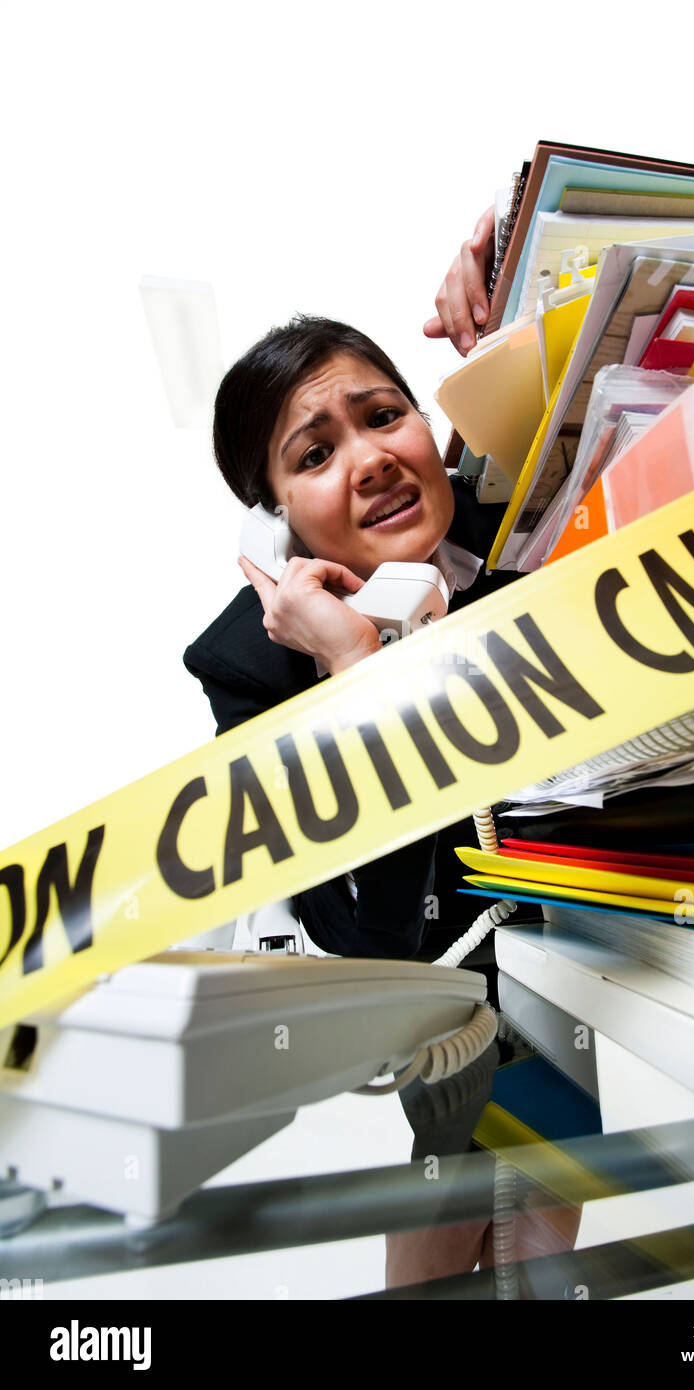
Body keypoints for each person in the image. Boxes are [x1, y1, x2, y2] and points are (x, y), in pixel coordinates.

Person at [183, 309, 520, 960]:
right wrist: (357, 671)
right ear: (275, 524)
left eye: (384, 417)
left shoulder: (527, 528)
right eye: (315, 455)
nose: (372, 461)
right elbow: (372, 938)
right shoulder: (248, 668)